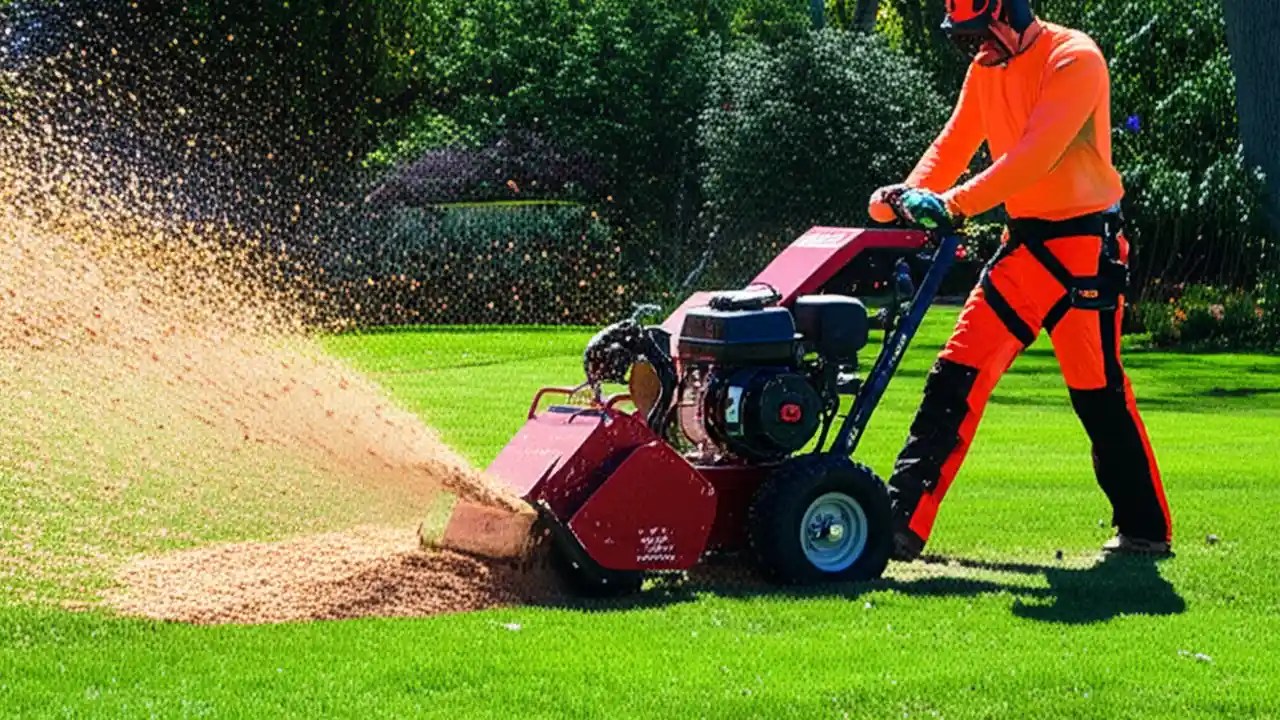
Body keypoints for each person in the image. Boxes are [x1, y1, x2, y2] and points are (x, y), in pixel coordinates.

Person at [867, 0, 1172, 561]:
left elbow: (1033, 158)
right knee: (953, 376)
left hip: (1085, 250)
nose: (973, 48)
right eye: (963, 40)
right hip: (1024, 247)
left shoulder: (1074, 59)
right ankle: (897, 526)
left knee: (1099, 395)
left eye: (977, 35)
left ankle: (1145, 530)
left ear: (1007, 16)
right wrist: (904, 196)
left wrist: (952, 206)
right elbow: (953, 145)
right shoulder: (986, 70)